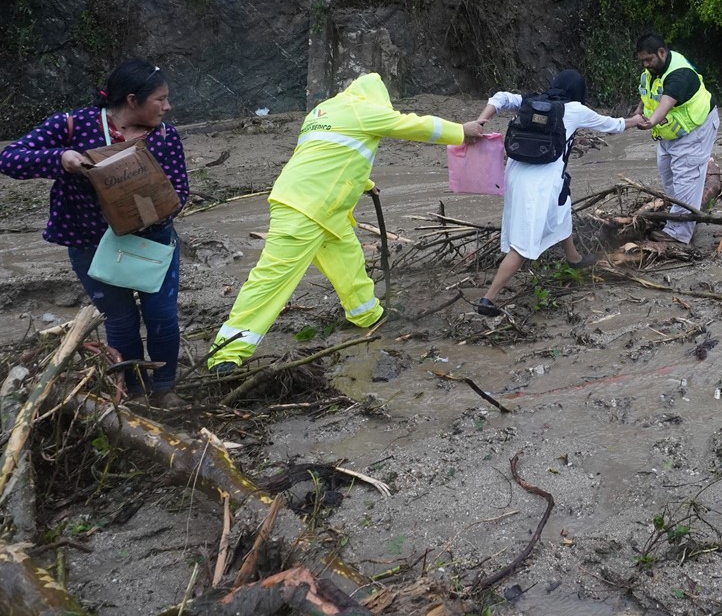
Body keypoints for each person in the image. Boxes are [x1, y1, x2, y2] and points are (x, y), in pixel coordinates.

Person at [207, 73, 483, 372]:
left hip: (319, 207)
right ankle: (225, 354)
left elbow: (331, 156)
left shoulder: (323, 111)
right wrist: (460, 131)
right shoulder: (362, 110)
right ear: (378, 98)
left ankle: (367, 315)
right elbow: (411, 124)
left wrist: (365, 182)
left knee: (348, 262)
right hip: (307, 209)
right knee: (271, 280)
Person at [0, 59, 189, 406]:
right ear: (132, 100)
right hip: (90, 242)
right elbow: (10, 158)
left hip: (152, 241)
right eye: (159, 100)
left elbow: (180, 191)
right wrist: (61, 158)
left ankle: (165, 388)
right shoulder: (74, 126)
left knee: (162, 315)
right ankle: (133, 391)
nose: (167, 107)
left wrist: (151, 214)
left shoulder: (165, 136)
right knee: (120, 319)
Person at [472, 70, 646, 316]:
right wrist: (635, 120)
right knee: (523, 244)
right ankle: (488, 300)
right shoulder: (574, 109)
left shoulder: (531, 101)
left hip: (516, 173)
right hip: (540, 183)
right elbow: (612, 125)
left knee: (561, 208)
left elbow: (500, 97)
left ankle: (573, 257)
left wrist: (481, 121)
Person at [633, 32, 721, 243]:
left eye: (649, 59)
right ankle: (681, 215)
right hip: (670, 134)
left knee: (685, 179)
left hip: (695, 130)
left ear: (661, 52)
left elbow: (663, 106)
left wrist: (648, 122)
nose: (645, 64)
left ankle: (678, 235)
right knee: (668, 176)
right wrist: (637, 113)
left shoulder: (678, 74)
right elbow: (647, 97)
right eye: (642, 60)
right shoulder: (652, 71)